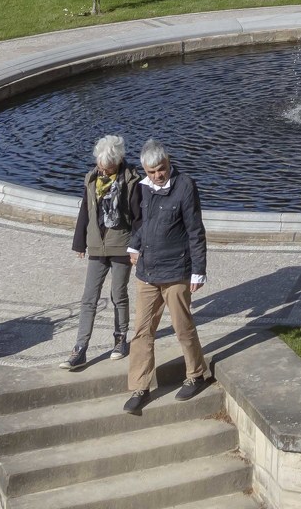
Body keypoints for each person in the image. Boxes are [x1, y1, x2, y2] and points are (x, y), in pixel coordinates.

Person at [121, 140, 211, 411]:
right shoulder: (143, 188)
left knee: (182, 327)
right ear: (144, 170)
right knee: (141, 331)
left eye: (160, 169)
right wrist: (134, 243)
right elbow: (144, 223)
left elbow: (195, 230)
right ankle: (140, 386)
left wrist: (198, 271)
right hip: (147, 271)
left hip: (176, 271)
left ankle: (195, 375)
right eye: (151, 172)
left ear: (168, 162)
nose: (157, 176)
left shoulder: (185, 186)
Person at [66, 135, 139, 371]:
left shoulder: (131, 180)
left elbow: (139, 217)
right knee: (89, 297)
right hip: (97, 245)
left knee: (118, 294)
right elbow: (85, 211)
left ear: (117, 162)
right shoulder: (91, 179)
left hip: (121, 244)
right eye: (100, 165)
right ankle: (80, 348)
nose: (103, 171)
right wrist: (80, 243)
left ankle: (120, 338)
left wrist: (137, 247)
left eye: (107, 167)